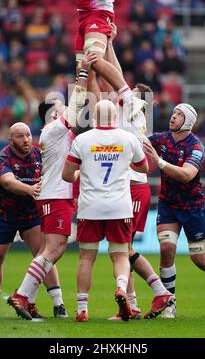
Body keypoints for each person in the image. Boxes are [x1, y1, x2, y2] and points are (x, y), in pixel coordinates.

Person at [7, 52, 96, 320]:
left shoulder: (57, 132)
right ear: (51, 114)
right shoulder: (55, 128)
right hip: (55, 196)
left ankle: (28, 298)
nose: (64, 107)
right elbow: (79, 102)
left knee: (51, 250)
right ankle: (21, 295)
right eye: (58, 105)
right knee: (53, 250)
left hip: (55, 194)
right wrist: (83, 71)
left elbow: (85, 107)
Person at [94, 29, 174, 320]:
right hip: (126, 186)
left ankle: (159, 292)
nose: (121, 91)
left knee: (122, 248)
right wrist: (110, 43)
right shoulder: (130, 114)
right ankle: (133, 304)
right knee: (120, 248)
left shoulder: (134, 109)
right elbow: (117, 74)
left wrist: (97, 54)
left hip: (133, 186)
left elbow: (114, 75)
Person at [143, 103, 205, 319]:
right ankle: (170, 302)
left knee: (200, 258)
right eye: (174, 113)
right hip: (168, 203)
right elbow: (137, 140)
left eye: (179, 115)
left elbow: (187, 175)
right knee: (167, 250)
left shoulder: (196, 147)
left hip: (193, 206)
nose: (173, 117)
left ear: (187, 122)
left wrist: (158, 161)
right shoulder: (162, 138)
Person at [62, 99, 149, 322]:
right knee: (120, 255)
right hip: (119, 206)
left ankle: (82, 308)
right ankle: (121, 288)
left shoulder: (82, 139)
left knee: (86, 258)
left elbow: (66, 175)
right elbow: (144, 167)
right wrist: (123, 161)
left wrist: (81, 173)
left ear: (93, 118)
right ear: (115, 117)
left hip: (90, 207)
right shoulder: (128, 138)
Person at [0, 122, 66, 319]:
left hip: (31, 214)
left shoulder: (39, 154)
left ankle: (58, 304)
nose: (26, 140)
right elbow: (7, 181)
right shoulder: (1, 158)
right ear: (11, 140)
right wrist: (29, 189)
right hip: (4, 213)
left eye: (28, 135)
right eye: (20, 136)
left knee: (44, 256)